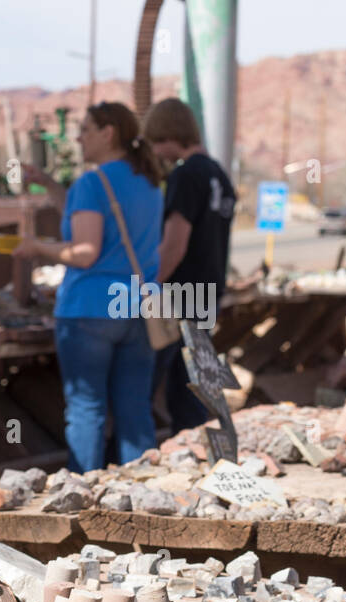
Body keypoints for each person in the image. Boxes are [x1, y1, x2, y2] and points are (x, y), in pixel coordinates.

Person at [13, 101, 163, 473]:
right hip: (138, 307)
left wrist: (37, 248)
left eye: (86, 130)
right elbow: (92, 216)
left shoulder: (93, 183)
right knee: (134, 408)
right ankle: (143, 497)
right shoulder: (148, 182)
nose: (78, 138)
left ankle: (81, 495)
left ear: (107, 133)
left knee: (87, 409)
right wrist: (48, 184)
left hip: (90, 308)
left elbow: (84, 253)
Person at [144, 97, 236, 432]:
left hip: (179, 296)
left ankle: (178, 451)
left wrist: (147, 288)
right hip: (208, 293)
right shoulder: (218, 175)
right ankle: (196, 447)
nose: (155, 150)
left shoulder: (185, 176)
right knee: (194, 382)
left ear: (167, 134)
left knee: (158, 381)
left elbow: (174, 246)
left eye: (155, 141)